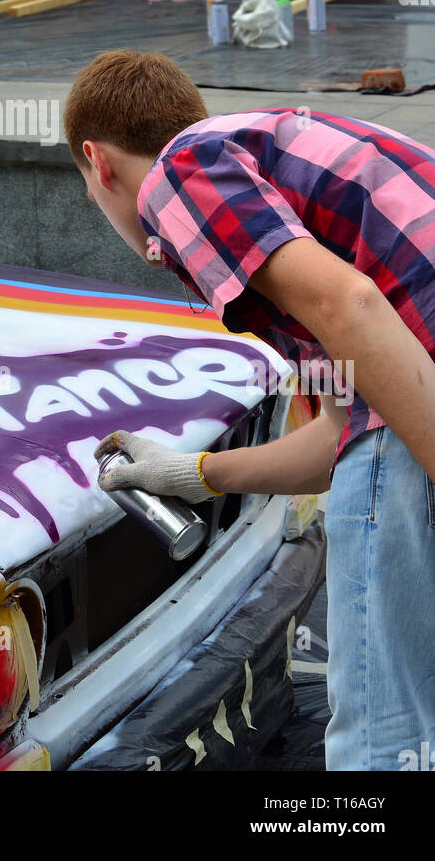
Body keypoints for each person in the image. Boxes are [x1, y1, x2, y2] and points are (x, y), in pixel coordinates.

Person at [64, 48, 435, 772]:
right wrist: (195, 472)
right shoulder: (261, 162)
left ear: (97, 163)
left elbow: (349, 304)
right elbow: (343, 436)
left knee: (380, 746)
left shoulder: (179, 174)